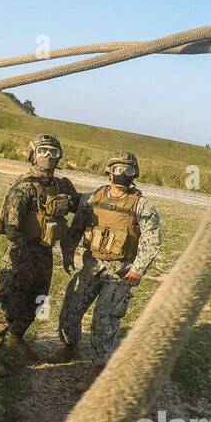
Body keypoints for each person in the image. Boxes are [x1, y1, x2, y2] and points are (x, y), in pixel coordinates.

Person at [0, 133, 79, 374]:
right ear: (32, 154)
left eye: (53, 153)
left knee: (38, 297)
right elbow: (12, 227)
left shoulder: (62, 187)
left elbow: (80, 205)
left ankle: (16, 337)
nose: (47, 157)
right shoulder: (23, 187)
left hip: (44, 253)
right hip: (20, 252)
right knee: (8, 300)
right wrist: (19, 257)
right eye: (42, 151)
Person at [59, 151, 161, 363]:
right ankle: (69, 348)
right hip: (92, 266)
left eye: (128, 170)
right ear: (109, 173)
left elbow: (152, 240)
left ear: (135, 175)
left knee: (104, 322)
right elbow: (76, 228)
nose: (122, 174)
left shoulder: (142, 206)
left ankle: (99, 369)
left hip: (120, 273)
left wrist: (138, 269)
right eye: (118, 169)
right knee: (71, 309)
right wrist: (68, 253)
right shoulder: (92, 198)